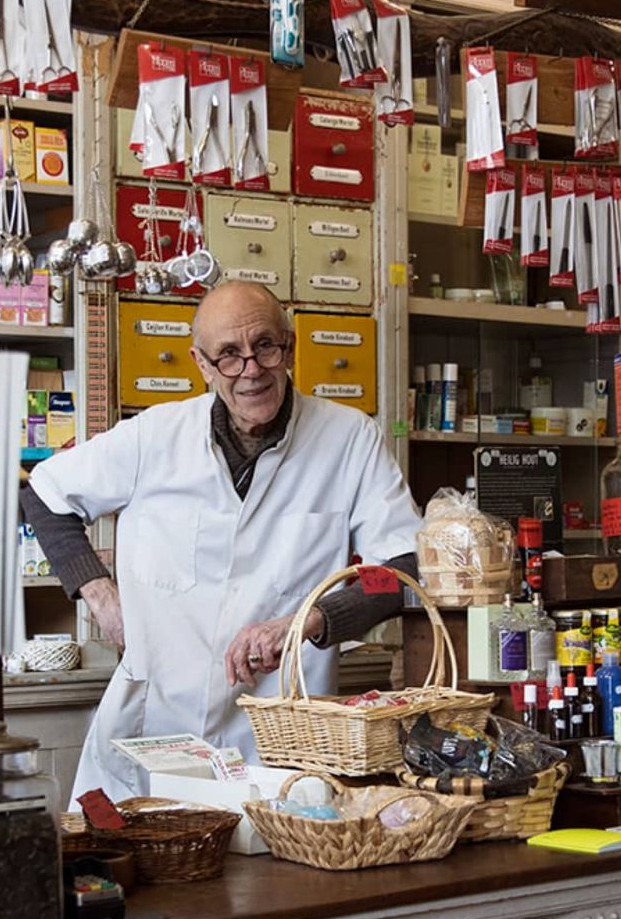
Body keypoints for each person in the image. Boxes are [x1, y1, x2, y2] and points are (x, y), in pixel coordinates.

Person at [22, 280, 422, 799]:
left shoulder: (348, 439)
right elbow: (47, 494)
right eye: (229, 355)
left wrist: (311, 620)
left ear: (290, 347)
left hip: (276, 743)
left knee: (264, 875)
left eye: (265, 347)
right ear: (202, 364)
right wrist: (100, 596)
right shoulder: (154, 436)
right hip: (153, 732)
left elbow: (400, 566)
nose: (251, 369)